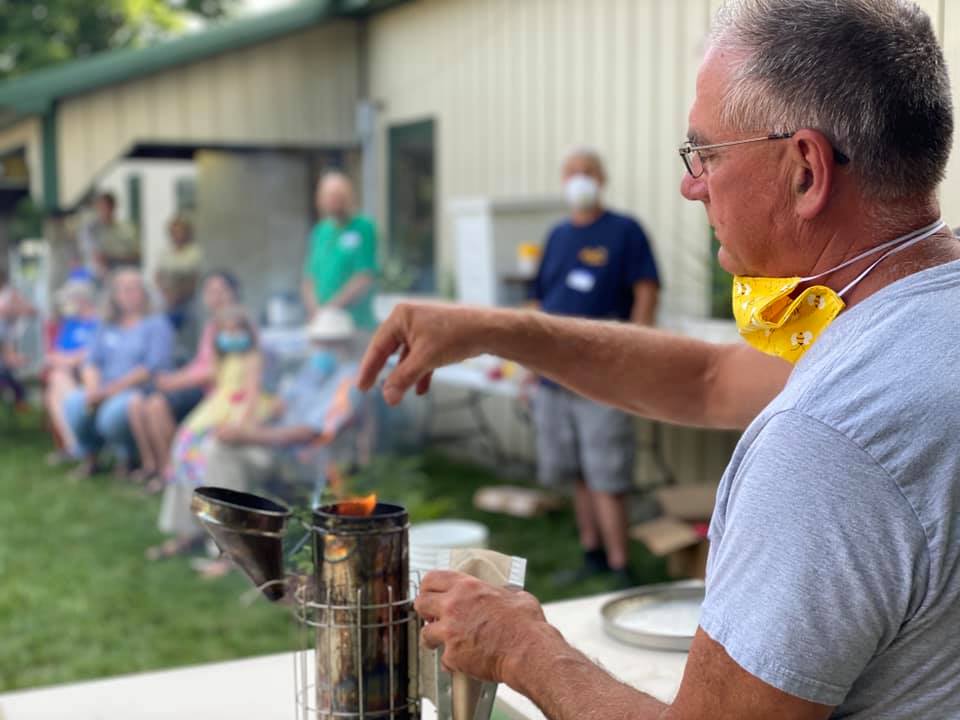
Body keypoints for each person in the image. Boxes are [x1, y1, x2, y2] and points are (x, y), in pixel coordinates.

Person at [357, 1, 960, 717]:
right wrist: (500, 330)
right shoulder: (913, 329)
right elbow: (707, 381)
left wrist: (519, 645)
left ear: (805, 170)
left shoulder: (828, 436)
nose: (691, 184)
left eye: (706, 154)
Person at [530, 147, 659, 586]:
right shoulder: (557, 236)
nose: (578, 180)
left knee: (607, 472)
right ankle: (592, 552)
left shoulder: (624, 231)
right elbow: (538, 299)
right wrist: (529, 357)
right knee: (575, 472)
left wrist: (636, 348)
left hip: (603, 377)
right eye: (571, 173)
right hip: (553, 376)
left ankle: (622, 564)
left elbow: (646, 290)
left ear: (601, 179)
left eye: (586, 172)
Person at [148, 305, 276, 560]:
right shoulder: (223, 359)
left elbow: (251, 392)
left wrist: (244, 422)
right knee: (184, 452)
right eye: (225, 332)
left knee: (209, 458)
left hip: (237, 409)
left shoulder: (254, 358)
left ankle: (214, 533)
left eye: (236, 331)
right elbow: (207, 378)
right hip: (217, 408)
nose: (231, 336)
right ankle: (188, 528)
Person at [127, 270, 240, 487]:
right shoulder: (211, 325)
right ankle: (156, 467)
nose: (215, 297)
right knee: (140, 402)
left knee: (156, 405)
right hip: (200, 387)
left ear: (233, 294)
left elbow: (213, 372)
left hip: (216, 395)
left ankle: (173, 472)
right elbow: (199, 363)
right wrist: (173, 377)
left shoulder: (234, 326)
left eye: (221, 291)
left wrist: (174, 382)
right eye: (210, 291)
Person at [63, 269, 174, 478]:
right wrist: (92, 389)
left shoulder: (156, 323)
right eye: (123, 290)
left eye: (134, 289)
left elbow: (151, 368)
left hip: (136, 390)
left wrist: (106, 392)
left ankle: (128, 457)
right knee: (74, 403)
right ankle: (90, 458)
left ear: (144, 294)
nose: (129, 294)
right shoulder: (105, 324)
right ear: (114, 295)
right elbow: (91, 361)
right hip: (103, 386)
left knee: (112, 415)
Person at [301, 172, 379, 331]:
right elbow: (309, 279)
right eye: (329, 196)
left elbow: (365, 276)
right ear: (319, 200)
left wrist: (331, 308)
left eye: (339, 196)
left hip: (354, 324)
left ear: (350, 197)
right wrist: (316, 311)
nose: (334, 201)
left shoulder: (363, 227)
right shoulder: (320, 231)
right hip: (323, 326)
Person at [44, 279, 100, 464]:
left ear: (81, 300)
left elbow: (93, 353)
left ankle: (75, 446)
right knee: (57, 379)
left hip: (93, 375)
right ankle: (76, 444)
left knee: (56, 383)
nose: (65, 305)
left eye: (68, 300)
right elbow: (55, 354)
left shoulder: (98, 322)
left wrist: (71, 359)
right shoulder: (71, 324)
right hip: (68, 373)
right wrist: (70, 359)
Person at [155, 214, 204, 361]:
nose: (177, 234)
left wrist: (178, 296)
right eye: (174, 231)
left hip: (187, 302)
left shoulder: (194, 252)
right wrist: (167, 295)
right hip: (167, 302)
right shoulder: (164, 253)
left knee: (187, 341)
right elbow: (158, 276)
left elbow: (194, 278)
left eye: (181, 230)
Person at [78, 192, 139, 281]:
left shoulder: (126, 229)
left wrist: (111, 257)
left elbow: (136, 255)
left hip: (123, 274)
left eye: (105, 207)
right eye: (100, 208)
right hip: (99, 276)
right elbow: (95, 257)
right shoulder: (92, 229)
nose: (102, 211)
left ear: (113, 207)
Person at [0, 266, 36, 409]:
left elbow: (31, 310)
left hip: (8, 338)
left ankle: (20, 396)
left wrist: (10, 311)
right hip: (5, 342)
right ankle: (20, 396)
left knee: (5, 368)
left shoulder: (10, 294)